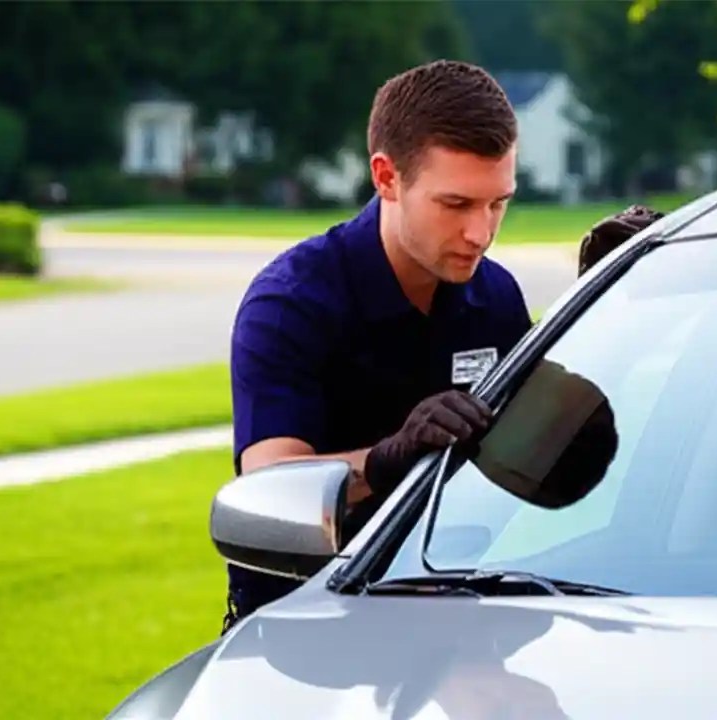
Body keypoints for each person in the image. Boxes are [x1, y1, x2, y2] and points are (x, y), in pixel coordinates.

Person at [224, 58, 663, 632]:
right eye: (456, 205)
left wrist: (622, 310)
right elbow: (271, 490)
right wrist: (387, 460)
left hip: (461, 627)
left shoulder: (495, 296)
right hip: (305, 638)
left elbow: (559, 466)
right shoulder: (290, 306)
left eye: (498, 203)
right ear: (386, 177)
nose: (480, 233)